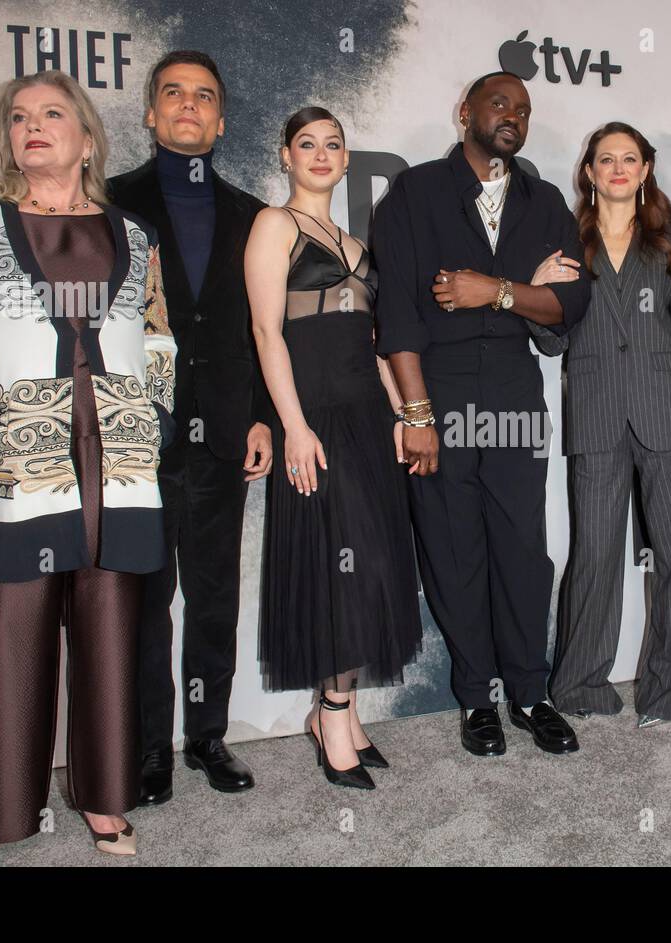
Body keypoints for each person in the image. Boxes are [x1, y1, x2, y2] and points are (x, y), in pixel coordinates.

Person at [0, 70, 174, 865]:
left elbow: (160, 337)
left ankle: (104, 801)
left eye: (52, 114)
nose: (32, 126)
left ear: (87, 136)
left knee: (111, 630)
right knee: (13, 637)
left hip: (121, 462)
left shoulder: (136, 236)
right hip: (23, 459)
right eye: (19, 118)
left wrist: (159, 414)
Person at [371, 71, 591, 757]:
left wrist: (494, 292)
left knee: (523, 550)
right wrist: (416, 414)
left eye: (523, 110)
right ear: (464, 110)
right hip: (438, 392)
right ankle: (476, 700)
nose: (512, 117)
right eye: (500, 104)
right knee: (452, 549)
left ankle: (530, 691)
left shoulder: (544, 200)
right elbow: (398, 316)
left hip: (516, 394)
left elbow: (569, 306)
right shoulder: (415, 193)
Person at [108, 51, 273, 804]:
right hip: (138, 435)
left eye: (203, 96)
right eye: (172, 93)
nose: (187, 105)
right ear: (150, 112)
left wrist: (264, 420)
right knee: (145, 599)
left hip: (225, 433)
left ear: (221, 119)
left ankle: (207, 739)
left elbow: (265, 331)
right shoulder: (108, 204)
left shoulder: (251, 214)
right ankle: (148, 752)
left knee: (212, 596)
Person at [246, 107, 422, 789]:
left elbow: (374, 346)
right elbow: (267, 335)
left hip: (368, 418)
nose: (321, 154)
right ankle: (333, 713)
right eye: (307, 144)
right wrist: (293, 425)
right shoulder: (274, 226)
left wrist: (405, 415)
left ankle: (338, 713)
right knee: (338, 574)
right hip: (315, 418)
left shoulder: (355, 240)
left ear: (347, 159)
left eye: (334, 144)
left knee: (372, 567)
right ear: (287, 156)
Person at [547, 122, 671, 726]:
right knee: (594, 554)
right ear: (589, 172)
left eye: (629, 159)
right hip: (594, 416)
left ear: (646, 170)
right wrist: (540, 289)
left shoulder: (669, 241)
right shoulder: (567, 242)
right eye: (605, 159)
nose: (617, 168)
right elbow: (549, 337)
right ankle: (581, 687)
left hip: (667, 413)